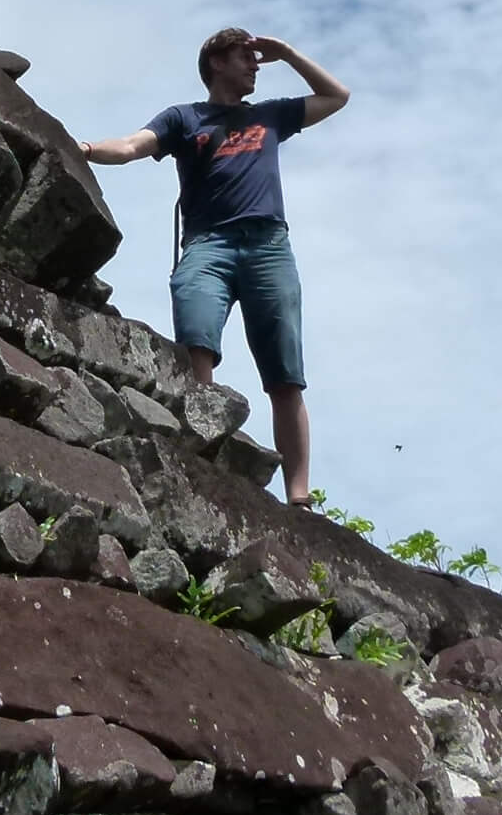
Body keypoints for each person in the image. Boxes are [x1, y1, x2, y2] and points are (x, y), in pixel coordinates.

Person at [78, 28, 349, 506]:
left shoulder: (271, 115)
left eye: (257, 57)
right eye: (245, 56)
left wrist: (286, 53)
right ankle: (206, 458)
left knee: (285, 374)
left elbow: (336, 96)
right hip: (208, 244)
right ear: (215, 62)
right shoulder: (186, 118)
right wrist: (88, 151)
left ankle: (299, 496)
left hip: (268, 244)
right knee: (197, 348)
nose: (255, 65)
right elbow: (132, 145)